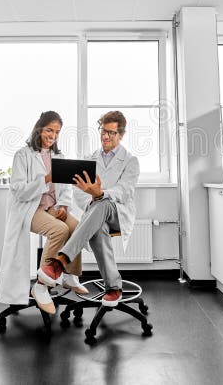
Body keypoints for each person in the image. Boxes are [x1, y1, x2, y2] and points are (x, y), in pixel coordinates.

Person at [37, 111, 139, 307]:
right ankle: (113, 286)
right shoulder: (89, 159)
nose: (105, 136)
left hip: (118, 214)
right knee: (98, 224)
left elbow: (124, 192)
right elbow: (79, 193)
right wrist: (94, 196)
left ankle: (60, 262)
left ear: (121, 135)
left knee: (105, 203)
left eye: (111, 133)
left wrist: (99, 193)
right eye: (103, 131)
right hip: (97, 214)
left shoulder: (130, 161)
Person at [0, 111, 88, 314]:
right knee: (59, 231)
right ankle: (41, 285)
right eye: (49, 130)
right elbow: (18, 190)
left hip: (53, 208)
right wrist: (46, 179)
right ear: (39, 129)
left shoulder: (59, 157)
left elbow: (65, 189)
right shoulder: (23, 155)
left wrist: (64, 206)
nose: (52, 135)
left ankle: (69, 275)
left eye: (56, 132)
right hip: (31, 209)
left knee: (78, 228)